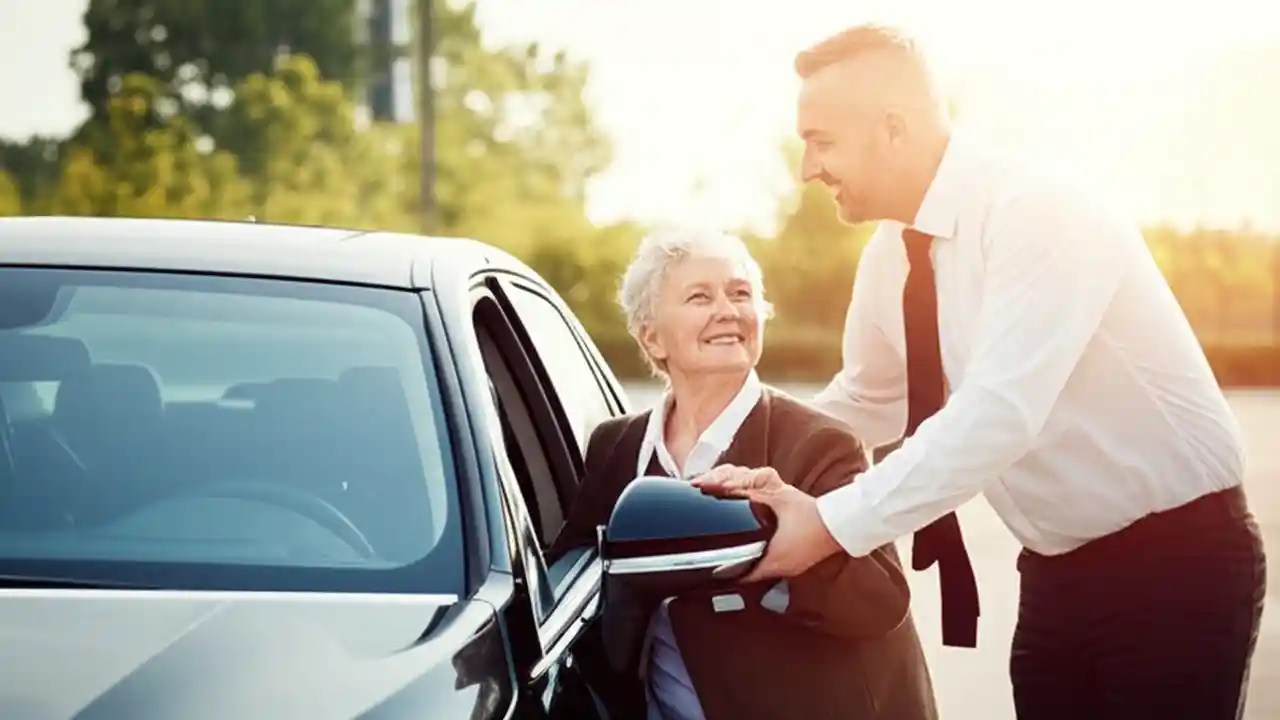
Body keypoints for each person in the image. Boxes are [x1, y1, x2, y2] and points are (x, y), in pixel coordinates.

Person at [693, 24, 1267, 720]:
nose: (807, 168)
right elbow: (867, 400)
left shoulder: (1038, 210)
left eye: (821, 141)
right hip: (1057, 570)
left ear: (893, 128)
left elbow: (999, 413)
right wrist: (721, 466)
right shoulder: (889, 257)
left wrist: (829, 525)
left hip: (1177, 562)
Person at [547, 227, 936, 720]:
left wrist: (804, 539)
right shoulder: (614, 449)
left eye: (740, 294)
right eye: (699, 297)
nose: (727, 310)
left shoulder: (819, 443)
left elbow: (881, 599)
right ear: (652, 336)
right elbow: (570, 582)